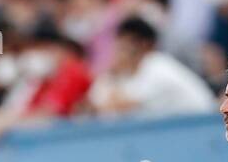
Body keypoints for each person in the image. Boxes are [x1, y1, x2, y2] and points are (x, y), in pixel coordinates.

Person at [88, 17, 217, 118]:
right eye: (119, 46)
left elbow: (120, 106)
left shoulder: (157, 64)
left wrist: (112, 75)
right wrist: (112, 75)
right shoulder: (126, 73)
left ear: (144, 44)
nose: (120, 52)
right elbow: (94, 105)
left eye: (126, 45)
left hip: (205, 124)